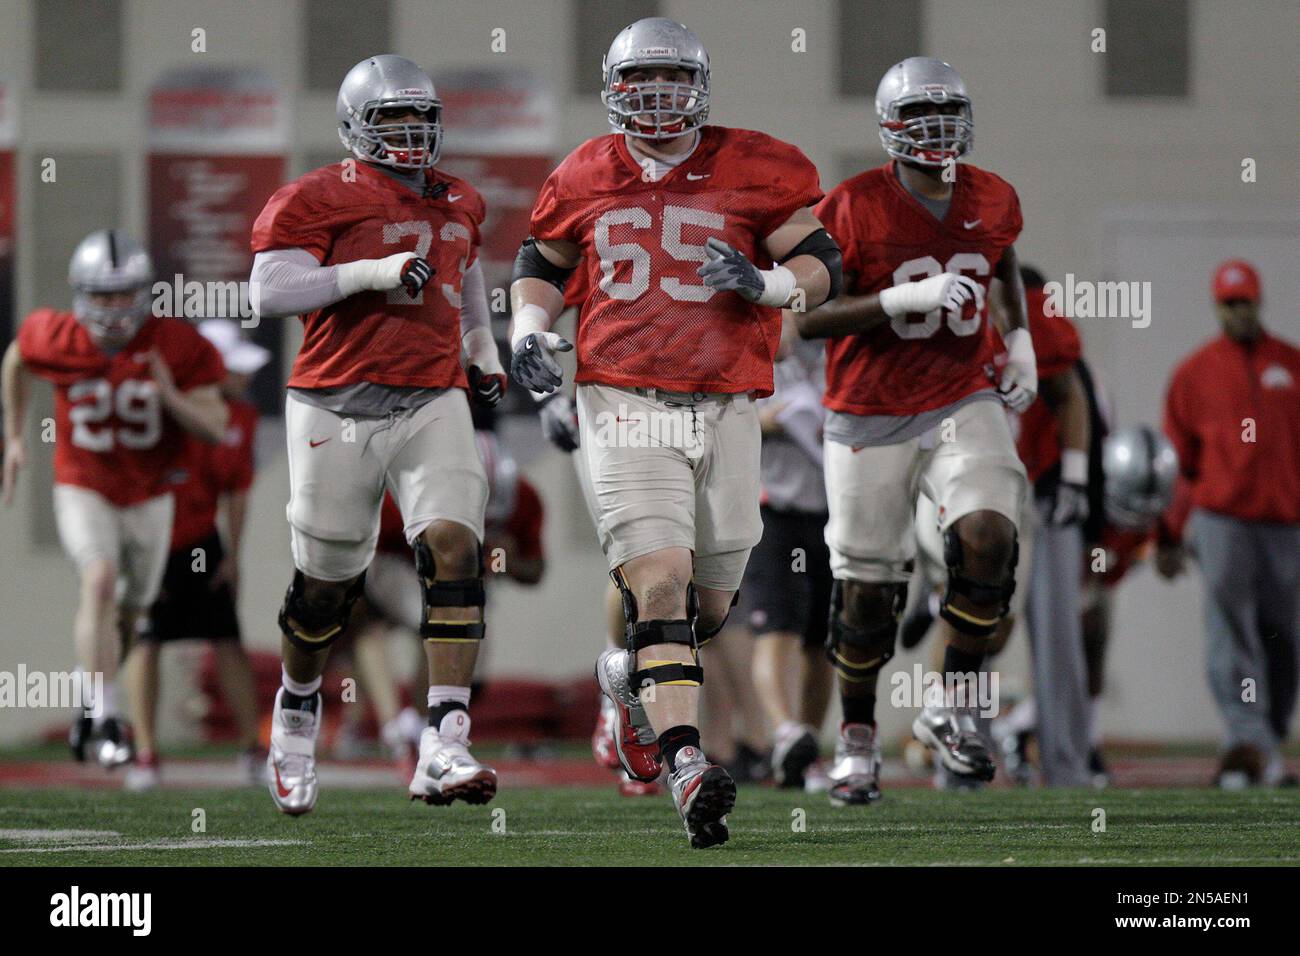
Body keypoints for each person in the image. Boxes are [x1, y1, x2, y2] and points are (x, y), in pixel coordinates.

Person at [509, 17, 840, 847]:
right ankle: (688, 765)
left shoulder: (757, 162)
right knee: (659, 581)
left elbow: (824, 260)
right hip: (621, 399)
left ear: (701, 88)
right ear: (615, 91)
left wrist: (766, 283)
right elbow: (542, 265)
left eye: (672, 82)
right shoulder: (585, 170)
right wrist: (525, 329)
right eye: (640, 83)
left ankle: (628, 682)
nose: (657, 99)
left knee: (711, 604)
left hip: (729, 402)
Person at [247, 54, 507, 815]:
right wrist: (367, 273)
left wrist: (481, 347)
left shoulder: (461, 199)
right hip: (334, 404)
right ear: (354, 127)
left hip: (432, 395)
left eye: (419, 121)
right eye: (390, 122)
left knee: (456, 544)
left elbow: (466, 277)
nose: (408, 136)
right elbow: (267, 289)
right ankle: (297, 708)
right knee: (327, 587)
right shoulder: (318, 196)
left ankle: (444, 739)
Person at [794, 57, 1034, 806]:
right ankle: (859, 737)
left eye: (947, 113)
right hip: (868, 412)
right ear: (890, 129)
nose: (936, 130)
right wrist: (902, 298)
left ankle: (952, 706)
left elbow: (1003, 262)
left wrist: (1017, 335)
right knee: (866, 596)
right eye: (919, 116)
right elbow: (806, 318)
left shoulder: (991, 194)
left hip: (963, 395)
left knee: (991, 538)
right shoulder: (853, 205)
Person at [1, 230, 227, 769]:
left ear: (143, 292)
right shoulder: (54, 334)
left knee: (130, 614)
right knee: (99, 580)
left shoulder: (174, 343)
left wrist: (170, 395)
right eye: (101, 294)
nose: (112, 306)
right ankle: (106, 718)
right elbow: (15, 359)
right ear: (81, 293)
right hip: (84, 483)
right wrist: (13, 434)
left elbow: (215, 426)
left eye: (122, 293)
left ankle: (87, 697)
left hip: (150, 493)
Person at [1158, 259, 1300, 788]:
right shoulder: (1194, 374)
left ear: (1259, 302)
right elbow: (1178, 461)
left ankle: (1266, 739)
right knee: (1230, 632)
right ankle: (1249, 742)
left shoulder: (1291, 364)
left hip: (1287, 522)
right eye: (1229, 303)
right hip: (1221, 521)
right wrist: (1168, 533)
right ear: (1218, 306)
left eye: (1246, 301)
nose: (1238, 311)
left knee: (1284, 638)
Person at [125, 320, 269, 790]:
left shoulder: (240, 419)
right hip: (154, 538)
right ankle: (144, 754)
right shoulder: (161, 404)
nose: (245, 378)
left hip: (201, 540)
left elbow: (237, 489)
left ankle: (252, 747)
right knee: (147, 642)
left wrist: (233, 554)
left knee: (226, 636)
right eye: (235, 369)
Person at [747, 330, 834, 788]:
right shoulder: (755, 351)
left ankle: (807, 748)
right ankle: (785, 730)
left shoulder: (835, 353)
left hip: (830, 512)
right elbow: (721, 417)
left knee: (823, 640)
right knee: (776, 628)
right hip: (774, 510)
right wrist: (771, 422)